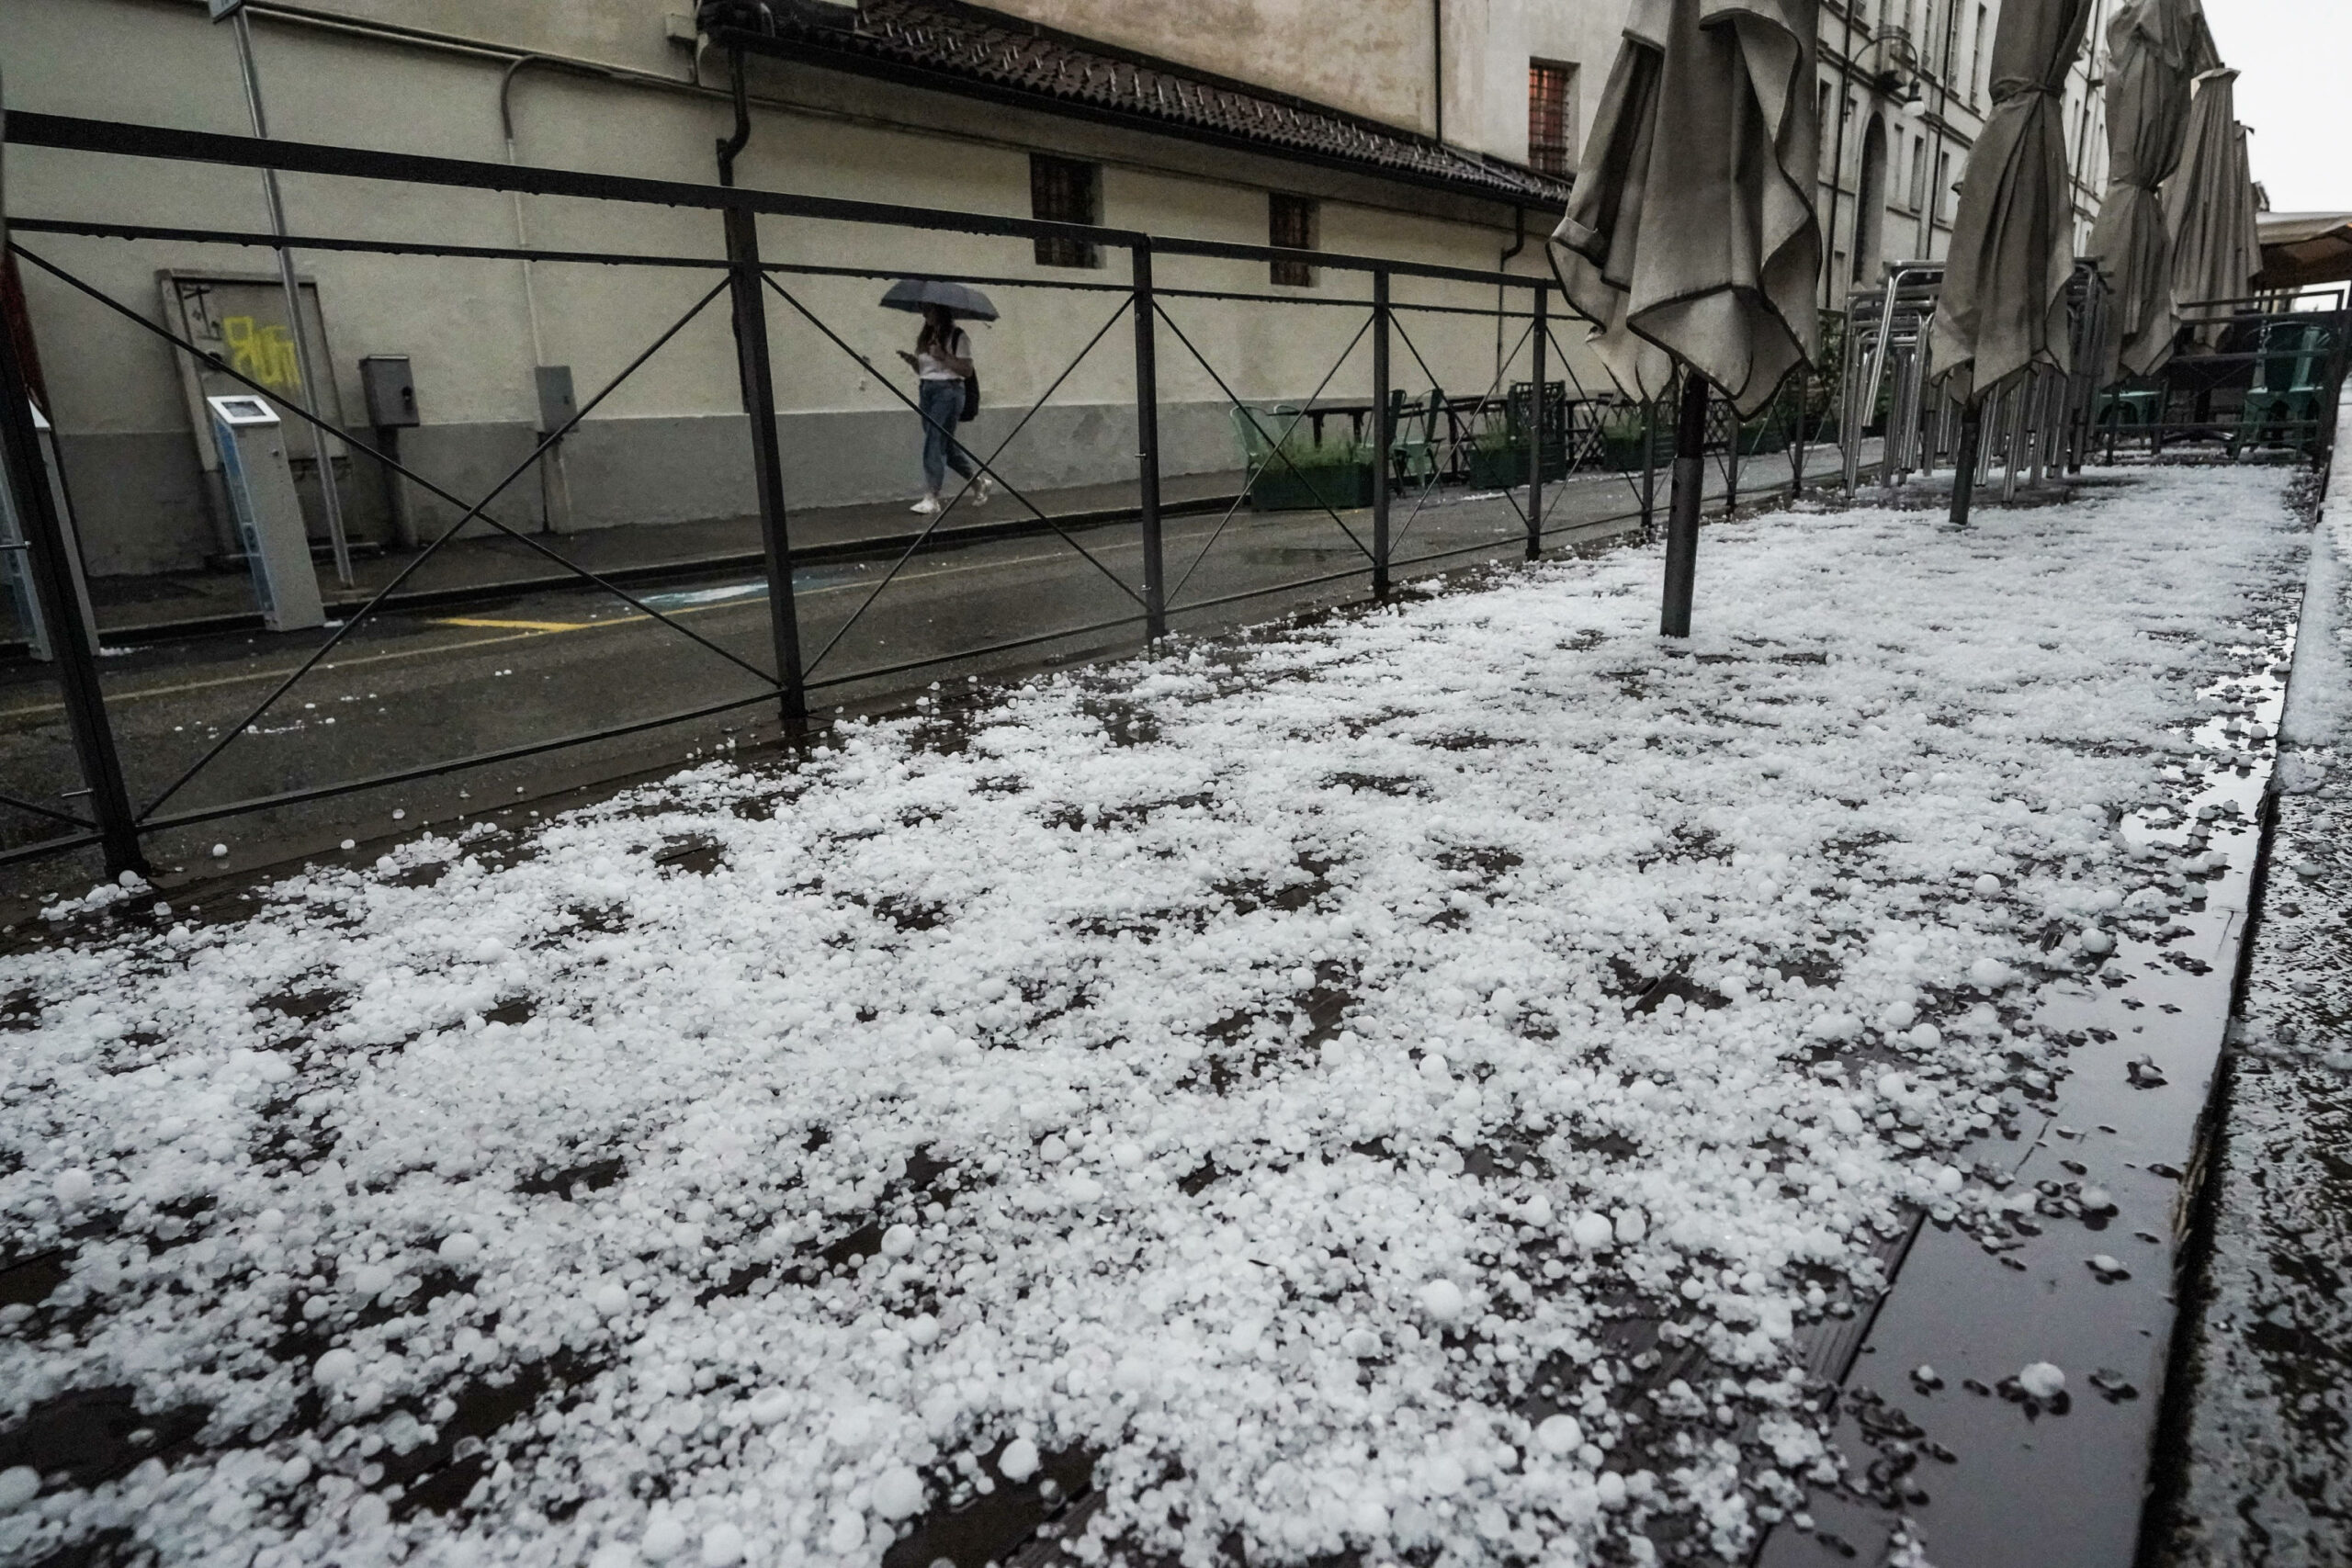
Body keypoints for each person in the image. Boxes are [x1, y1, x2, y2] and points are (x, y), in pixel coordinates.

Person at [897, 304, 994, 513]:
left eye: (928, 310)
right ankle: (978, 483)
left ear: (941, 311)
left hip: (949, 392)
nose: (924, 314)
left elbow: (966, 370)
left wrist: (943, 355)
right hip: (927, 390)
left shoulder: (958, 336)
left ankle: (932, 497)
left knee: (934, 440)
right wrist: (914, 362)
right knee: (945, 447)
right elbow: (928, 370)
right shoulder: (928, 336)